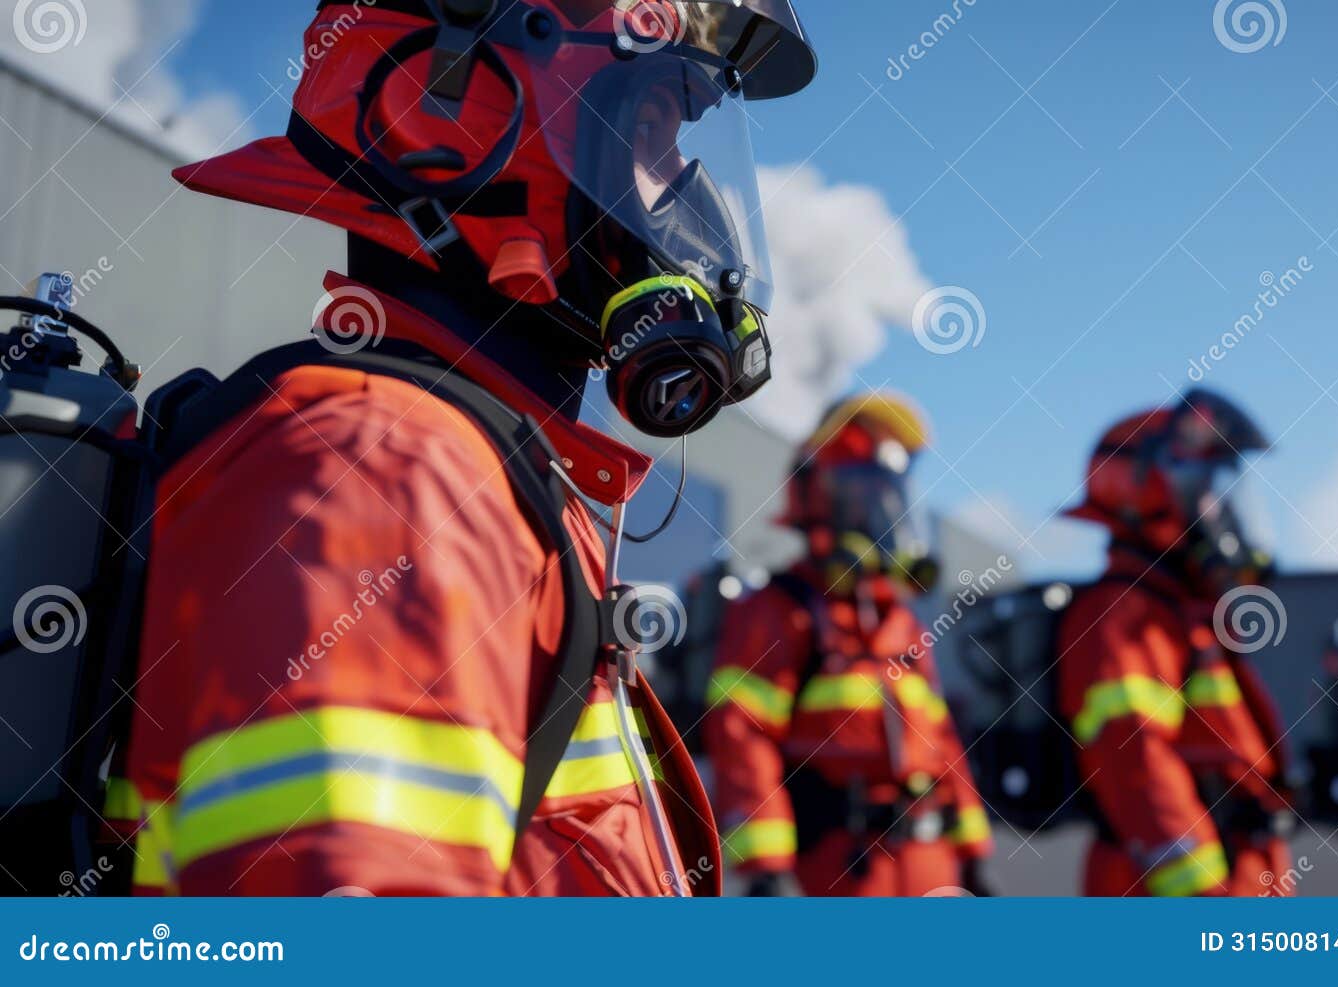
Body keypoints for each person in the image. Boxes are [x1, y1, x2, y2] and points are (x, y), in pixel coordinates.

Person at [120, 0, 818, 896]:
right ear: (437, 121)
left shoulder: (484, 471)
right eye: (648, 125)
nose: (686, 190)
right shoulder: (387, 471)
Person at [703, 394, 995, 896]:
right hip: (838, 869)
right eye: (863, 496)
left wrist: (972, 857)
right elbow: (742, 734)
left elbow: (942, 742)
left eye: (890, 497)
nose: (882, 515)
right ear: (817, 500)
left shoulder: (899, 621)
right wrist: (766, 864)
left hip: (931, 866)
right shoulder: (779, 607)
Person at [1057, 389, 1296, 896]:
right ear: (1146, 491)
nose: (1221, 511)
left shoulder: (1182, 613)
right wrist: (1205, 895)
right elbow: (1136, 761)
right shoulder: (1122, 613)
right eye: (1205, 490)